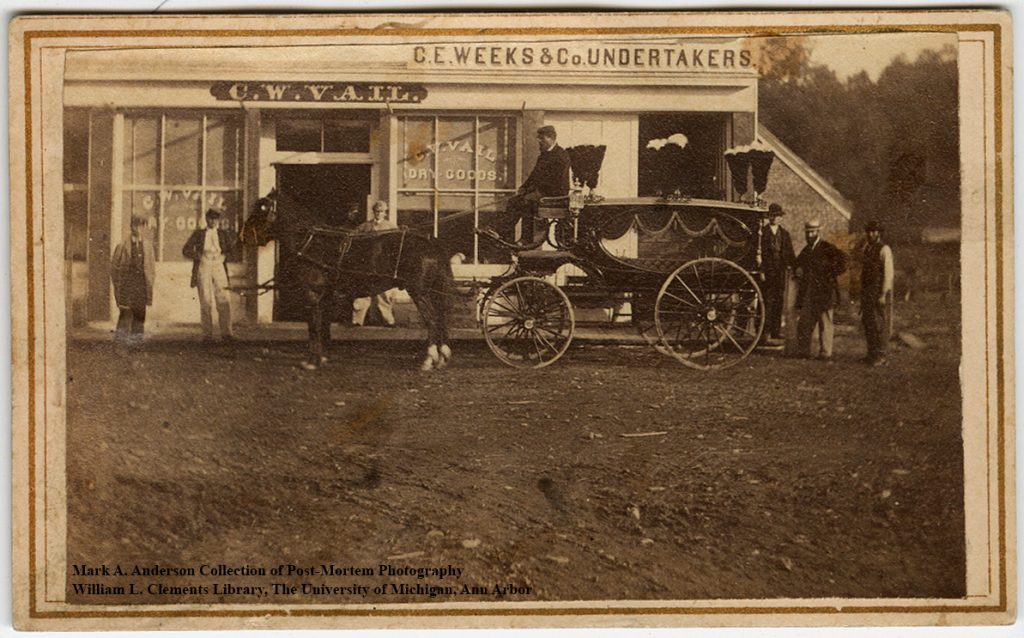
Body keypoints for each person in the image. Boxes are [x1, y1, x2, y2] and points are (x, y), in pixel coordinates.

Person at [504, 125, 570, 244]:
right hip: (542, 191)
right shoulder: (544, 155)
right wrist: (523, 187)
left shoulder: (561, 155)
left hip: (555, 194)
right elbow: (534, 175)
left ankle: (526, 238)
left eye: (541, 138)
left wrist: (534, 191)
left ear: (550, 138)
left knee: (526, 201)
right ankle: (503, 234)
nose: (539, 141)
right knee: (513, 201)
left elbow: (555, 181)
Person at [794, 219, 847, 361]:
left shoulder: (826, 247)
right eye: (807, 233)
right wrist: (797, 269)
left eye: (812, 232)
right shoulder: (806, 250)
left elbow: (843, 261)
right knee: (804, 322)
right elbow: (796, 264)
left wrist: (830, 273)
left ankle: (825, 353)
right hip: (810, 292)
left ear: (818, 232)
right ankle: (803, 351)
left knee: (825, 323)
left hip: (825, 292)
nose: (809, 235)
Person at [182, 208, 238, 341]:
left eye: (215, 219)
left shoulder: (223, 234)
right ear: (206, 219)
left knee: (223, 298)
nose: (213, 221)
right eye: (210, 218)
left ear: (218, 220)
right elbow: (186, 250)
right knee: (205, 299)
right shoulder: (199, 234)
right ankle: (207, 334)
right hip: (204, 265)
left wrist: (224, 256)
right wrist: (198, 256)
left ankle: (227, 333)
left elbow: (233, 250)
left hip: (218, 264)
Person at [352, 200, 398, 327]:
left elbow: (396, 246)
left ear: (385, 213)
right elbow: (353, 236)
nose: (378, 214)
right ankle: (357, 320)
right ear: (373, 212)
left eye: (381, 211)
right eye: (376, 211)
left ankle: (388, 320)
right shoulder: (365, 226)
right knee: (363, 290)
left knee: (383, 292)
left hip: (383, 264)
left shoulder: (391, 227)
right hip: (366, 264)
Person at [110, 214, 156, 344]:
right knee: (124, 315)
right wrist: (119, 287)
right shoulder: (122, 246)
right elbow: (114, 269)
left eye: (142, 225)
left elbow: (151, 268)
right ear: (131, 227)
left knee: (140, 316)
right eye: (136, 225)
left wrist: (149, 284)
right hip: (127, 286)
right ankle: (119, 345)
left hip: (141, 286)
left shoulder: (148, 246)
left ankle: (136, 346)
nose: (139, 228)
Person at [758, 203, 796, 343]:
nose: (774, 218)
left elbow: (790, 253)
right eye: (772, 215)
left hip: (780, 272)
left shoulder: (785, 234)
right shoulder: (762, 233)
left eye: (777, 216)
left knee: (779, 300)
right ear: (769, 217)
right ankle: (763, 331)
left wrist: (794, 266)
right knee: (766, 300)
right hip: (767, 271)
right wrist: (761, 270)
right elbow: (759, 253)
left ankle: (775, 331)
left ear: (781, 218)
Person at [860, 220, 894, 365]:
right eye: (869, 231)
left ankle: (882, 356)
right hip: (868, 291)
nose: (871, 234)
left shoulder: (884, 249)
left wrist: (883, 294)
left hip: (879, 291)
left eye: (874, 231)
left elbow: (888, 274)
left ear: (879, 233)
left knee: (880, 324)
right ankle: (871, 354)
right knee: (869, 323)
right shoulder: (867, 248)